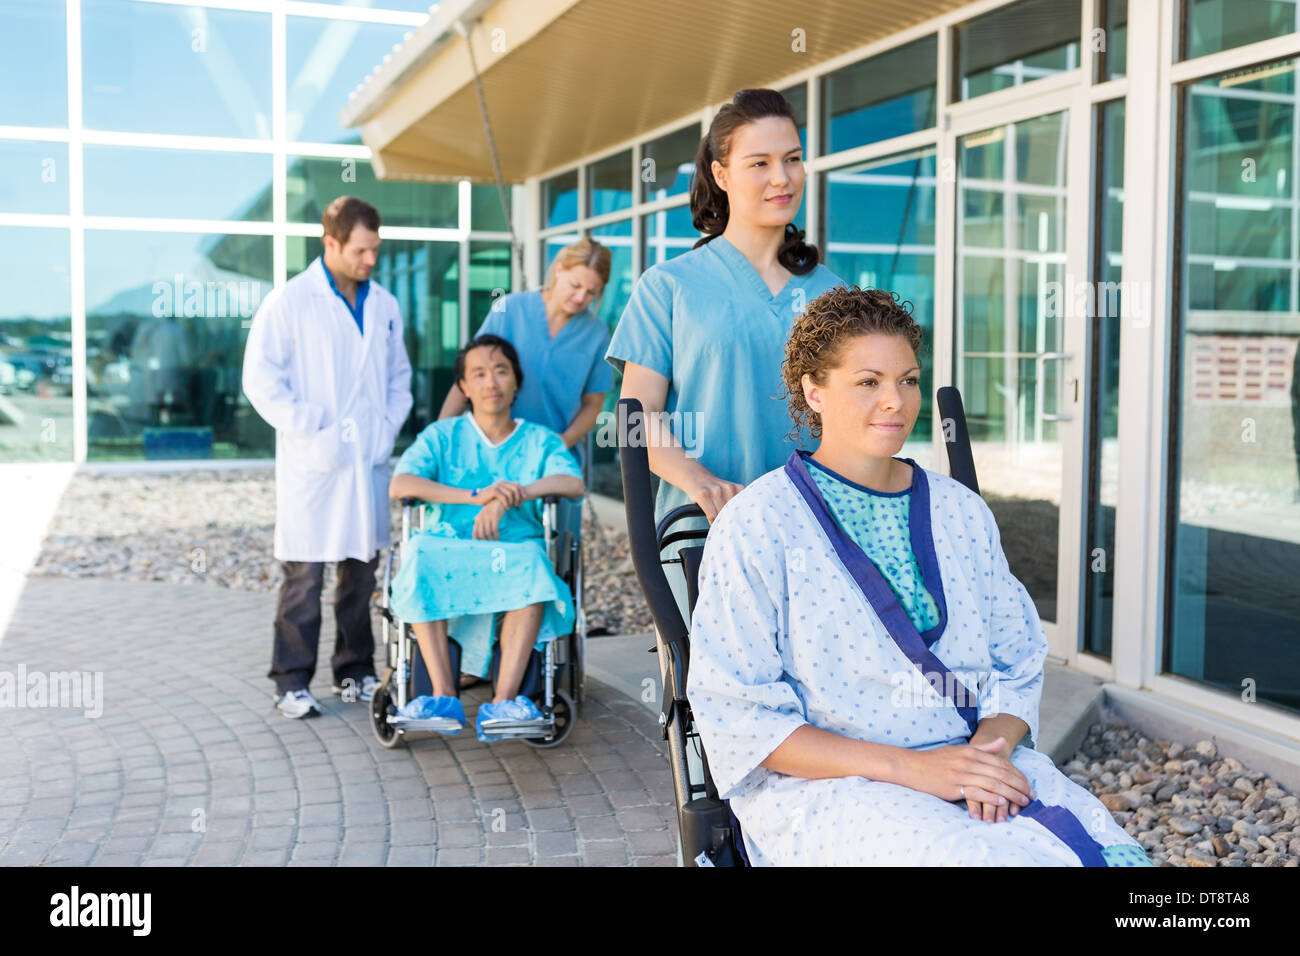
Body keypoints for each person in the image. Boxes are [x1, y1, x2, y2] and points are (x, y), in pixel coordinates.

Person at [686, 287, 1153, 866]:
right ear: (814, 390)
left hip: (974, 757)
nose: (896, 402)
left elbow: (1017, 657)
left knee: (1112, 856)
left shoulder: (960, 511)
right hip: (832, 789)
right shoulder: (759, 524)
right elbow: (740, 713)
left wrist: (988, 752)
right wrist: (917, 769)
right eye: (868, 382)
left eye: (907, 380)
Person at [606, 88, 845, 622]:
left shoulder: (833, 295)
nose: (781, 178)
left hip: (819, 537)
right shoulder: (668, 286)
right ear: (721, 174)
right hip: (704, 536)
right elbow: (636, 418)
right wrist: (698, 481)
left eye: (792, 159)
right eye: (759, 163)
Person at [242, 196, 412, 719]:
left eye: (375, 250)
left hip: (367, 459)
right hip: (314, 462)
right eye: (361, 250)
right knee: (305, 577)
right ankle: (291, 680)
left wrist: (385, 431)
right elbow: (260, 378)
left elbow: (399, 378)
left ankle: (355, 671)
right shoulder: (290, 301)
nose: (370, 261)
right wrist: (311, 423)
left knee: (361, 570)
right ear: (331, 243)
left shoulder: (384, 304)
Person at [388, 334, 585, 741]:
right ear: (463, 387)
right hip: (450, 545)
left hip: (515, 547)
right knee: (420, 553)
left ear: (516, 381)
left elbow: (572, 482)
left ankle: (505, 701)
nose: (491, 382)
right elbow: (401, 483)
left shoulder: (539, 440)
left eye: (501, 371)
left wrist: (514, 494)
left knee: (532, 561)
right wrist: (478, 497)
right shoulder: (442, 436)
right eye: (478, 374)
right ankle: (442, 696)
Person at [438, 237, 613, 686]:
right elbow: (473, 372)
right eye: (575, 284)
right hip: (490, 457)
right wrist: (442, 432)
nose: (580, 297)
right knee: (480, 552)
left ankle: (534, 668)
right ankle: (477, 660)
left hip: (552, 465)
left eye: (591, 292)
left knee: (542, 560)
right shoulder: (510, 310)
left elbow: (594, 404)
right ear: (558, 270)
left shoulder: (595, 333)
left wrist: (553, 445)